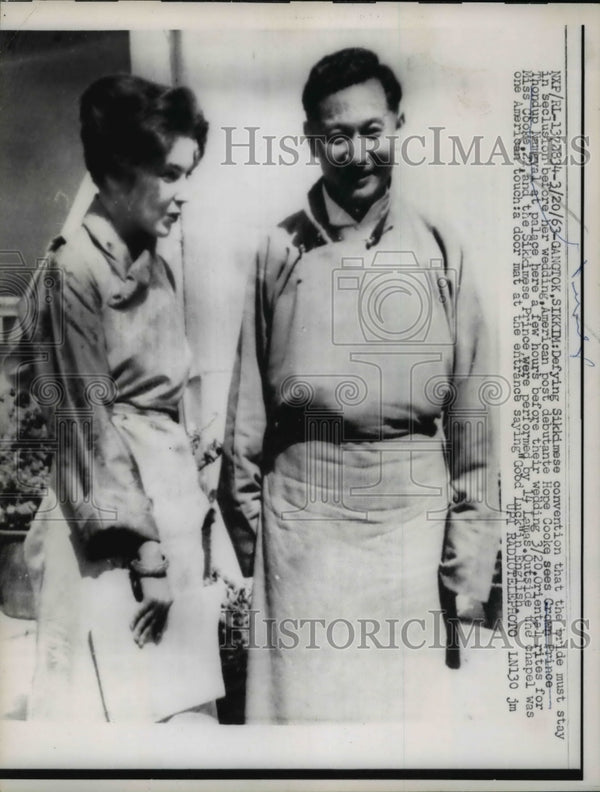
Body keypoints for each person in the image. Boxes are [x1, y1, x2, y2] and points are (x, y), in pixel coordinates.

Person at [219, 48, 501, 722]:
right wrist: (271, 549)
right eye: (337, 135)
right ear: (312, 139)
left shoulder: (441, 248)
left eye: (373, 130)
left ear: (399, 124)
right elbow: (244, 423)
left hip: (411, 544)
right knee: (300, 738)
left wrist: (466, 569)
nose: (357, 153)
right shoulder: (277, 252)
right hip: (302, 542)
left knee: (403, 737)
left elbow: (474, 427)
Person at [5, 74, 236, 722]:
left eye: (188, 174)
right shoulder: (72, 271)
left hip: (168, 525)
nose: (184, 193)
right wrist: (147, 555)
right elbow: (86, 425)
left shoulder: (155, 266)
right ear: (117, 172)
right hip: (112, 542)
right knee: (113, 720)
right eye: (169, 174)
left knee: (179, 721)